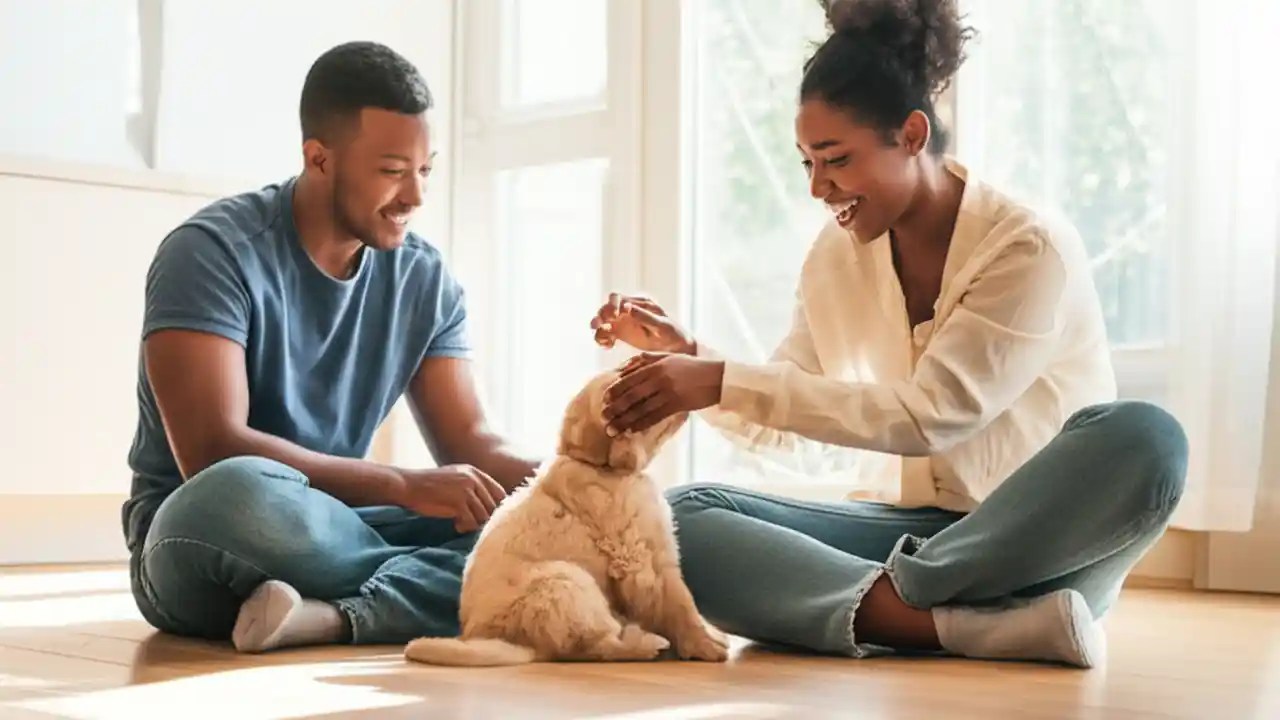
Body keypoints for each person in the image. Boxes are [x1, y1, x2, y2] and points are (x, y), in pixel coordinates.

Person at [590, 0, 1187, 668]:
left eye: (834, 158)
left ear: (909, 134)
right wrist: (689, 362)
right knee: (678, 518)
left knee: (1148, 438)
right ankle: (969, 627)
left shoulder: (1026, 247)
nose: (819, 187)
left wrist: (718, 380)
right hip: (903, 534)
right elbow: (784, 418)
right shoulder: (833, 256)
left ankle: (893, 609)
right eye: (806, 164)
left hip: (1034, 544)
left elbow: (933, 416)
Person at [123, 41, 540, 653]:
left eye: (426, 171)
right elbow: (211, 451)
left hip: (347, 528)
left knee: (537, 532)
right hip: (211, 535)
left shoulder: (424, 280)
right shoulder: (210, 253)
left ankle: (333, 617)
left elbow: (472, 442)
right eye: (394, 172)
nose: (415, 197)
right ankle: (419, 593)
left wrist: (585, 486)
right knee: (234, 496)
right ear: (319, 159)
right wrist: (402, 486)